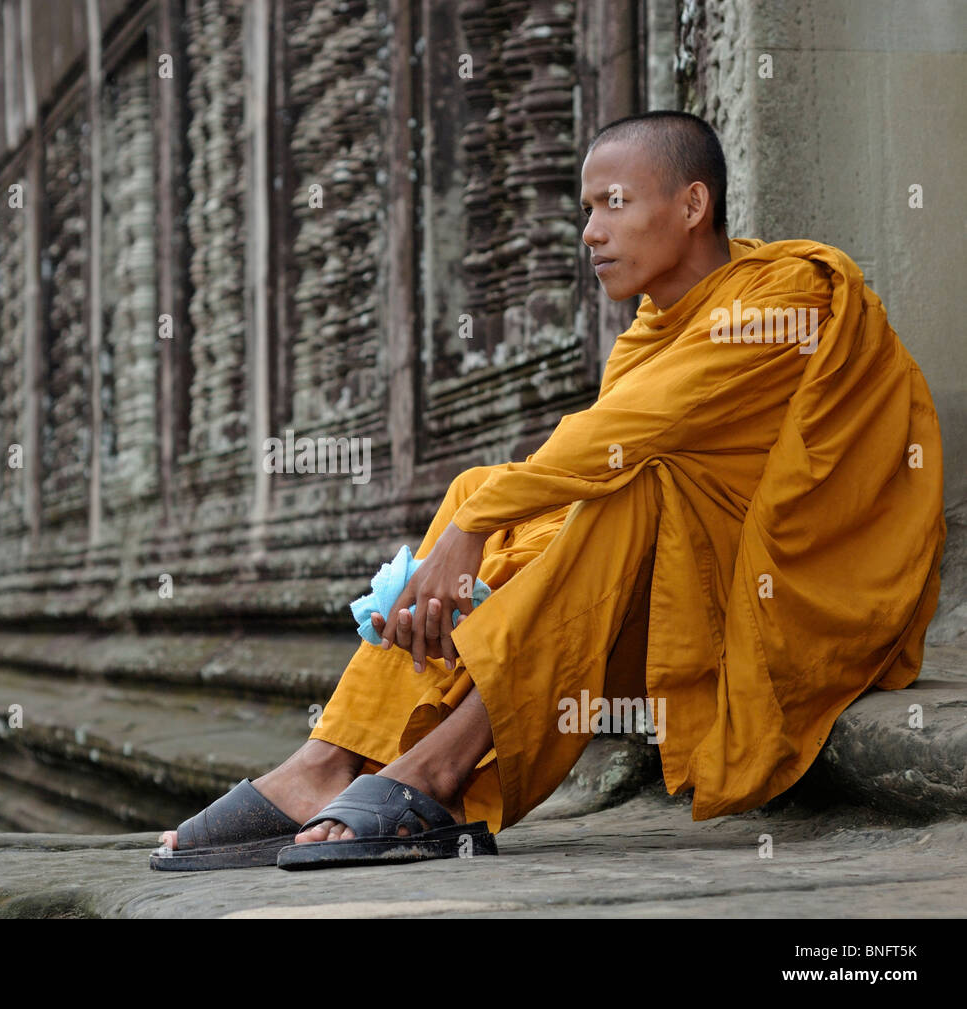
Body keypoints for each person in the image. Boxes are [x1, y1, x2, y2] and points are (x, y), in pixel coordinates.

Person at [150, 110, 945, 872]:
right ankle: (330, 757)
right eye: (586, 210)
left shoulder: (787, 300)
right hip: (686, 603)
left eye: (614, 204)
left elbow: (625, 439)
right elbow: (588, 462)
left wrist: (476, 523)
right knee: (484, 488)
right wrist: (478, 530)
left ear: (693, 204)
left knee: (613, 491)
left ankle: (438, 771)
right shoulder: (652, 327)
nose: (591, 232)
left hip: (802, 604)